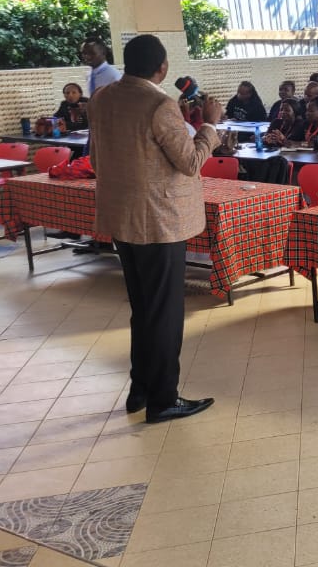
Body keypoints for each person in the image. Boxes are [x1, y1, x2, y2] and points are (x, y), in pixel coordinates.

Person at [87, 34, 218, 424]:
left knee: (143, 308)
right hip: (159, 222)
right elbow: (191, 162)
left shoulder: (103, 98)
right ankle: (163, 399)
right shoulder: (160, 105)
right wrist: (210, 124)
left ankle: (140, 389)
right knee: (163, 313)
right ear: (162, 68)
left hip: (122, 218)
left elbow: (97, 156)